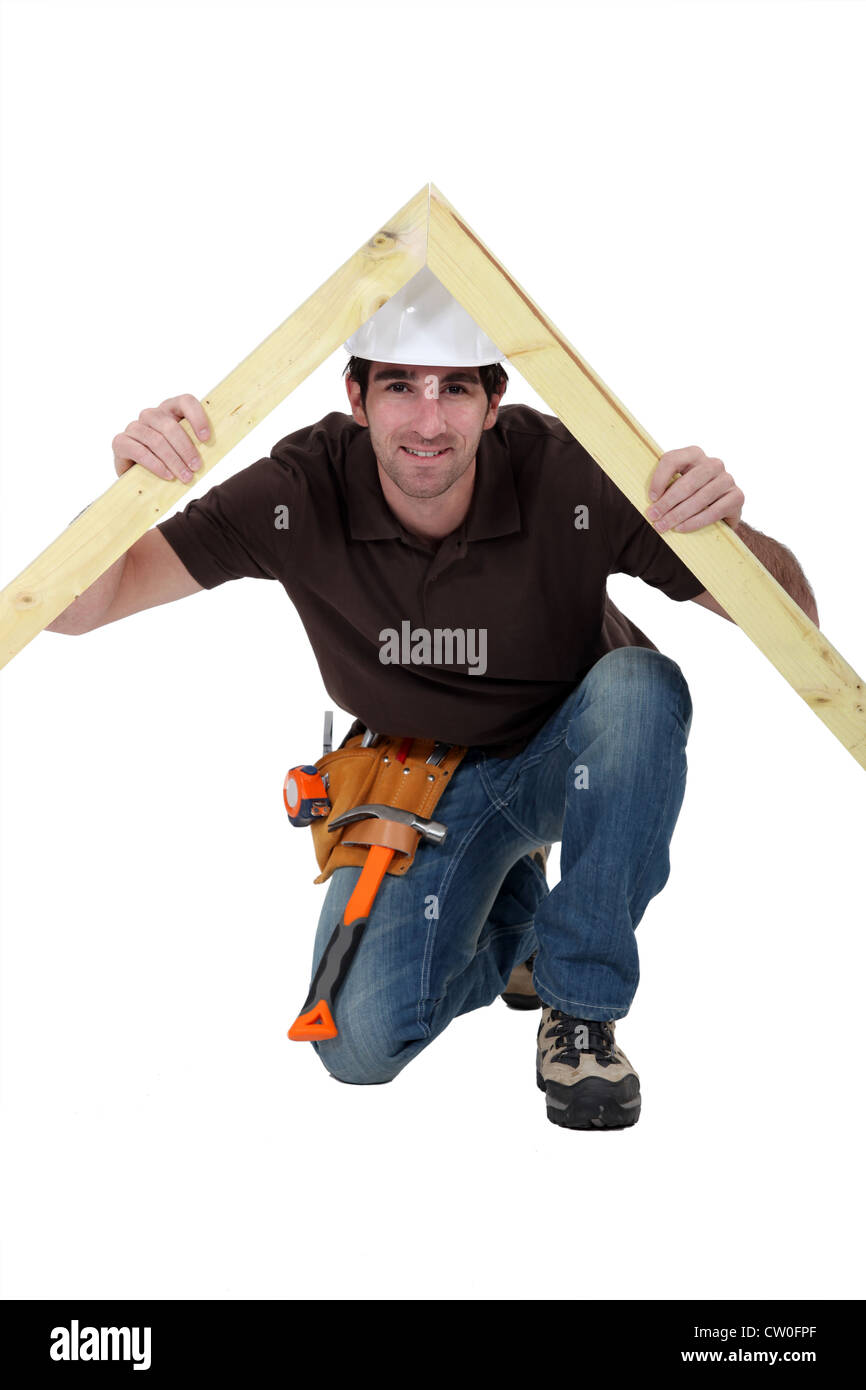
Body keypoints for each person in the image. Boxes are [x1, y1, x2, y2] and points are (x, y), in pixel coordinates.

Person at [47, 268, 820, 1130]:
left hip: (570, 756)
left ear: (495, 403)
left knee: (643, 687)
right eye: (399, 386)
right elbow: (83, 609)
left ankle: (579, 1012)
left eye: (456, 388)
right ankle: (516, 917)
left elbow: (794, 624)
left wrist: (724, 527)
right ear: (356, 396)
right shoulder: (296, 490)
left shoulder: (571, 470)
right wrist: (124, 496)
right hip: (421, 784)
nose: (427, 419)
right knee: (357, 1045)